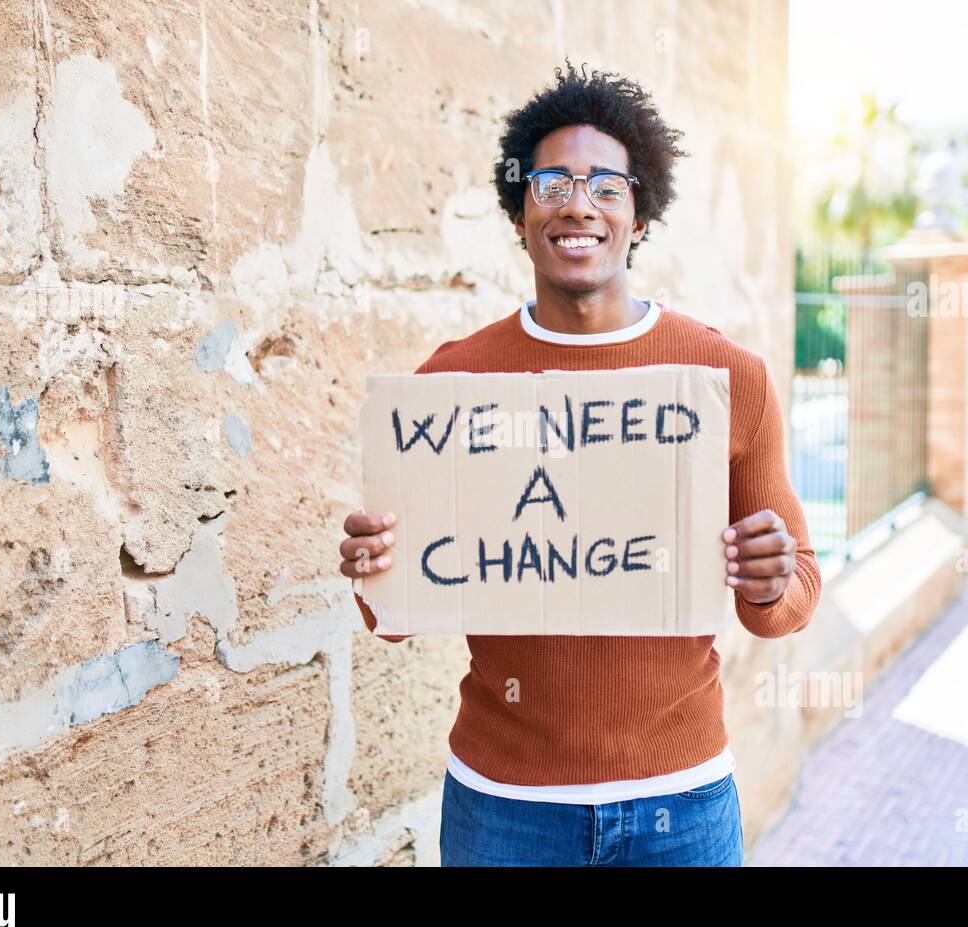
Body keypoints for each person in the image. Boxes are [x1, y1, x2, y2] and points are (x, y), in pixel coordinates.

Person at [337, 59, 821, 867]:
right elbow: (402, 606)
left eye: (606, 185)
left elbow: (796, 590)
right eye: (551, 181)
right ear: (520, 210)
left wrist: (771, 581)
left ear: (639, 214)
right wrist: (371, 566)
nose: (577, 205)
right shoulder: (450, 386)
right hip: (504, 809)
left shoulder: (726, 378)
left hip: (683, 800)